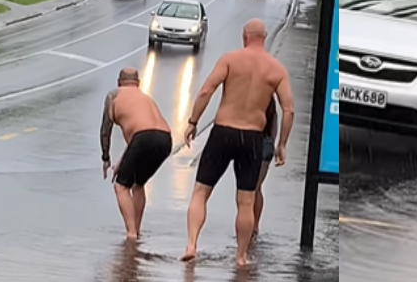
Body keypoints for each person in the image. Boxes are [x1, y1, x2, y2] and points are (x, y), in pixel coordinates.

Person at [181, 18, 295, 265]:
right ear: (263, 38)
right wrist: (282, 144)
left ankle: (191, 245)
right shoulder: (276, 69)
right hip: (252, 138)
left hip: (222, 132)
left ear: (244, 36)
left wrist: (193, 121)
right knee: (246, 201)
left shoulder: (230, 60)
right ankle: (241, 256)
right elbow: (288, 110)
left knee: (200, 192)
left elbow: (205, 91)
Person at [100, 67, 173, 240]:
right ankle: (136, 229)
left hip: (144, 139)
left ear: (119, 82)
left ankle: (131, 234)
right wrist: (122, 162)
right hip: (165, 140)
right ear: (138, 83)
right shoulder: (145, 98)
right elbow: (140, 136)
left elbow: (105, 131)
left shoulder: (113, 96)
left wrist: (106, 158)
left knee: (121, 186)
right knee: (137, 184)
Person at [254, 97, 279, 239]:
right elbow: (275, 118)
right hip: (266, 142)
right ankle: (254, 225)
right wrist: (274, 142)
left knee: (251, 189)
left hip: (256, 141)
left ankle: (252, 225)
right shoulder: (270, 96)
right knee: (256, 188)